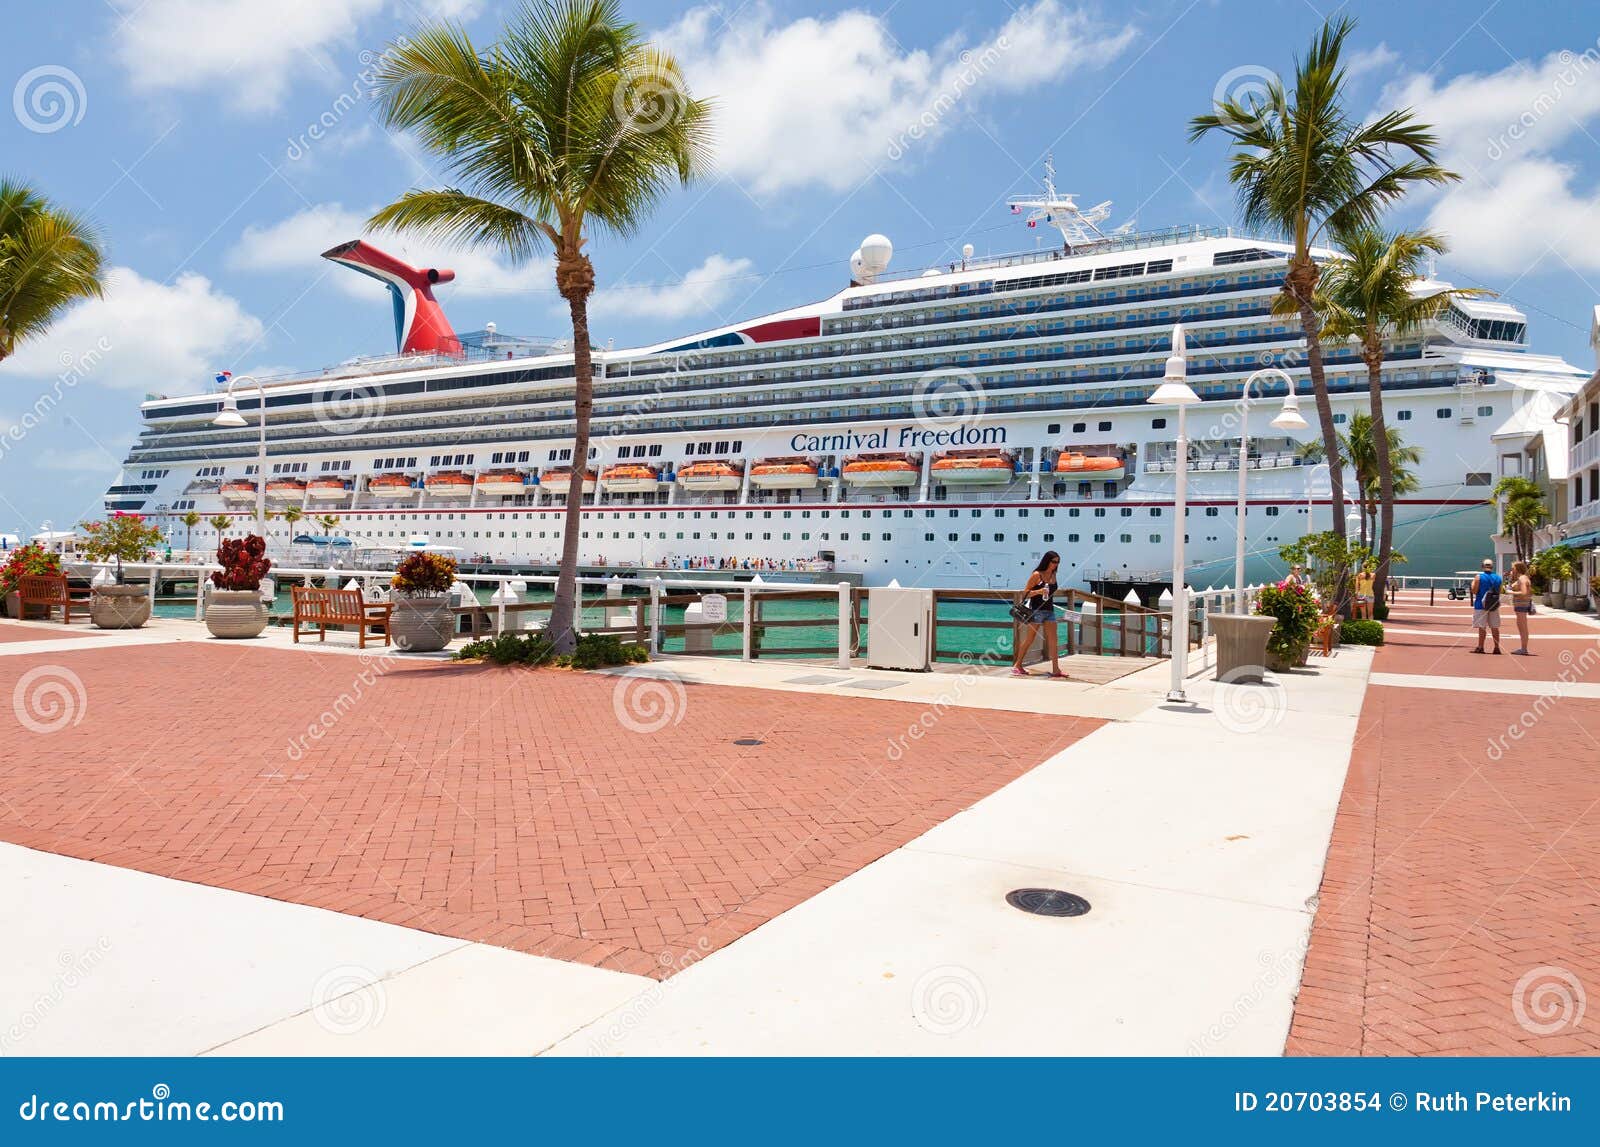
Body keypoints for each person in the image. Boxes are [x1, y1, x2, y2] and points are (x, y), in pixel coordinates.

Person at [1012, 551, 1067, 679]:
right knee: (1029, 639)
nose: (1056, 564)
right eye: (1054, 561)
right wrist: (1039, 591)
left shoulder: (1054, 574)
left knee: (1054, 640)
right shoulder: (1037, 575)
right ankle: (1017, 665)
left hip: (1049, 611)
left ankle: (1056, 670)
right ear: (1047, 561)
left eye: (1058, 562)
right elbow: (1025, 593)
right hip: (1036, 611)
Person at [1470, 557, 1503, 655]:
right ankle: (1496, 647)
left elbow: (1474, 591)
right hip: (1493, 605)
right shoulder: (1498, 577)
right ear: (1492, 567)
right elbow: (1500, 591)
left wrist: (1473, 584)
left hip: (1481, 605)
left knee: (1482, 627)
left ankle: (1480, 647)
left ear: (1482, 566)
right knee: (1495, 627)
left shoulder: (1479, 577)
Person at [1507, 559, 1534, 656]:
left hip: (1521, 605)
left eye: (1513, 568)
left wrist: (1511, 592)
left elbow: (1524, 593)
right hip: (1521, 605)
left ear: (1517, 569)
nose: (1512, 570)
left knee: (1522, 627)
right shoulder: (1523, 578)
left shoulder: (1522, 579)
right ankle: (1523, 647)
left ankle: (1524, 648)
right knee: (1522, 627)